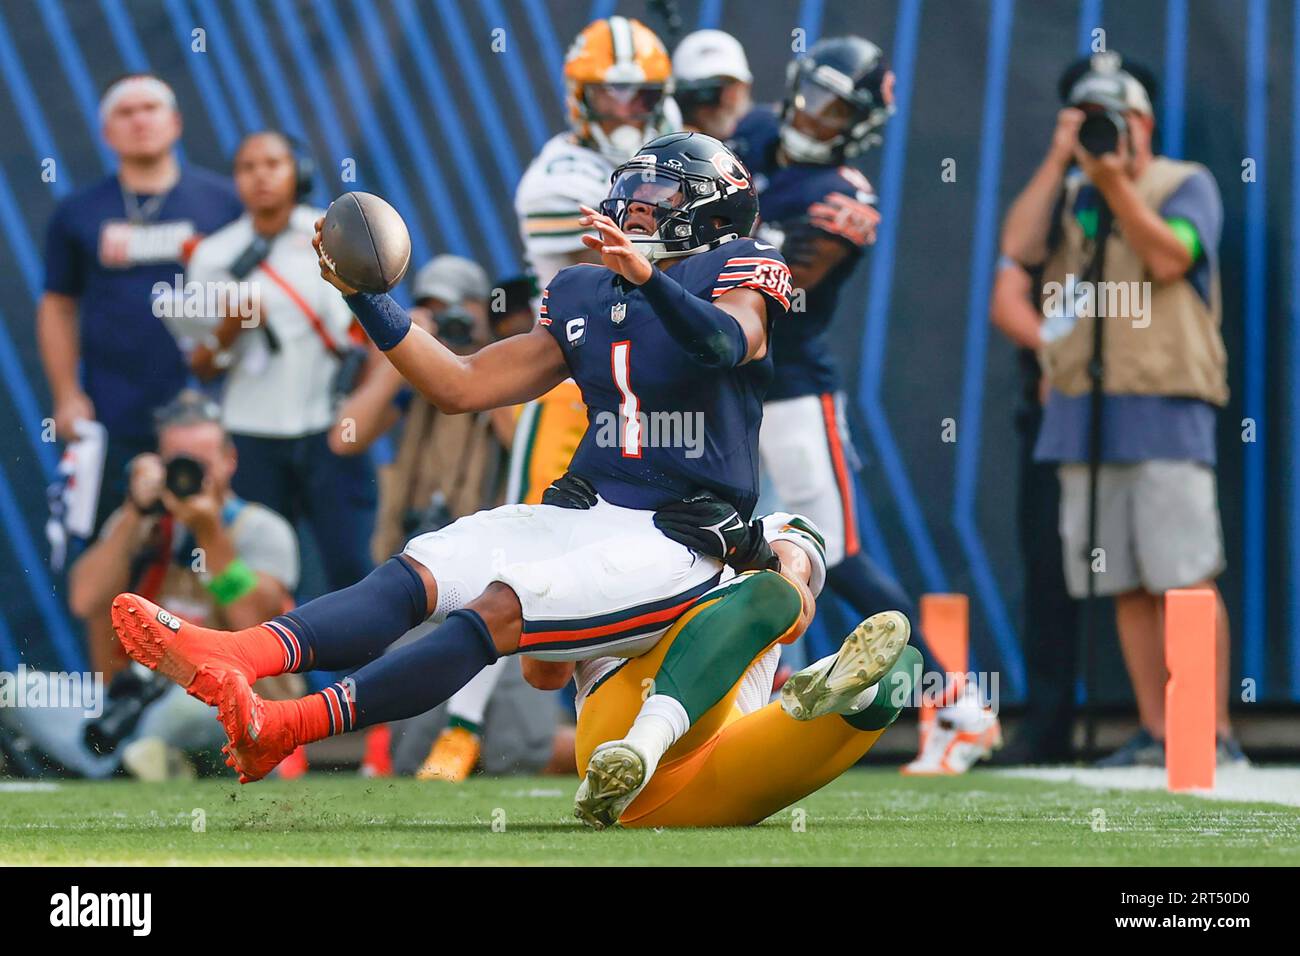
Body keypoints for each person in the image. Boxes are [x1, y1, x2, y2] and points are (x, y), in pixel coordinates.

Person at [107, 132, 794, 788]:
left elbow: (724, 342)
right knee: (423, 568)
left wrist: (648, 280)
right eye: (631, 191)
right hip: (586, 509)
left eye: (657, 196)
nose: (634, 207)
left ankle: (287, 723)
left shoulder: (736, 268)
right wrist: (365, 298)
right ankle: (239, 653)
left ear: (708, 210)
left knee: (500, 608)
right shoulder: (586, 289)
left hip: (680, 538)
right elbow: (458, 385)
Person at [730, 37, 1000, 773]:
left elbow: (776, 290)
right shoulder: (750, 133)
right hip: (723, 389)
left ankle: (957, 702)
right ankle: (732, 708)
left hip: (790, 392)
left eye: (833, 111)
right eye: (810, 97)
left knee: (836, 553)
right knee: (725, 550)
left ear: (858, 127)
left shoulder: (844, 200)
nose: (813, 118)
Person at [1001, 52, 1241, 766]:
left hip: (1166, 405)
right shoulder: (1072, 191)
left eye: (1118, 118)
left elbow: (1171, 258)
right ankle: (1158, 731)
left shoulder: (1187, 183)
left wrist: (1114, 181)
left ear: (1146, 122)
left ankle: (1208, 732)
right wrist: (1061, 160)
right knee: (1123, 583)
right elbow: (1018, 247)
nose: (1108, 134)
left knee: (1183, 577)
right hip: (1082, 410)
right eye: (1091, 120)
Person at [39, 74, 242, 546]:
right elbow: (57, 306)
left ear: (175, 122)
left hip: (213, 409)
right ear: (106, 133)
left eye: (150, 108)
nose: (139, 121)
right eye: (125, 113)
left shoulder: (224, 203)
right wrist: (66, 394)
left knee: (219, 551)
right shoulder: (78, 213)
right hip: (115, 409)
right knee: (119, 551)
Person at [66, 391, 301, 773]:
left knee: (178, 714)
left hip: (230, 709)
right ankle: (140, 763)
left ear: (230, 461)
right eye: (179, 464)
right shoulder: (146, 524)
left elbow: (253, 621)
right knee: (21, 693)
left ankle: (124, 764)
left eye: (201, 464)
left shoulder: (263, 528)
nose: (189, 476)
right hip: (134, 703)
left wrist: (208, 531)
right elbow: (85, 601)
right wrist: (134, 510)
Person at [186, 130, 376, 596]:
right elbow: (203, 366)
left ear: (299, 173)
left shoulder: (331, 235)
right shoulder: (214, 256)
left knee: (351, 568)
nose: (261, 176)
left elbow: (370, 331)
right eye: (248, 167)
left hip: (328, 428)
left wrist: (364, 406)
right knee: (259, 575)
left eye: (273, 163)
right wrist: (231, 328)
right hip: (253, 435)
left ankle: (359, 670)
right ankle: (267, 671)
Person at [671, 29, 754, 141]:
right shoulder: (666, 144)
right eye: (709, 90)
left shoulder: (764, 144)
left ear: (746, 88)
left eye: (731, 87)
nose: (723, 100)